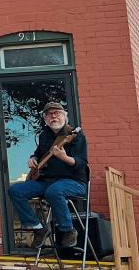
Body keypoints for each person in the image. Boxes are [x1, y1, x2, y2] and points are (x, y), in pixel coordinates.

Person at [8, 101, 89, 249]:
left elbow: (81, 162)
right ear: (45, 119)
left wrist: (64, 157)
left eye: (57, 113)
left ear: (65, 116)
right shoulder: (44, 136)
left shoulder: (76, 135)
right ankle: (38, 227)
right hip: (47, 181)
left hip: (73, 181)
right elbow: (38, 154)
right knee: (15, 190)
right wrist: (33, 158)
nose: (53, 117)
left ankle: (68, 230)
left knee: (54, 191)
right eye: (49, 114)